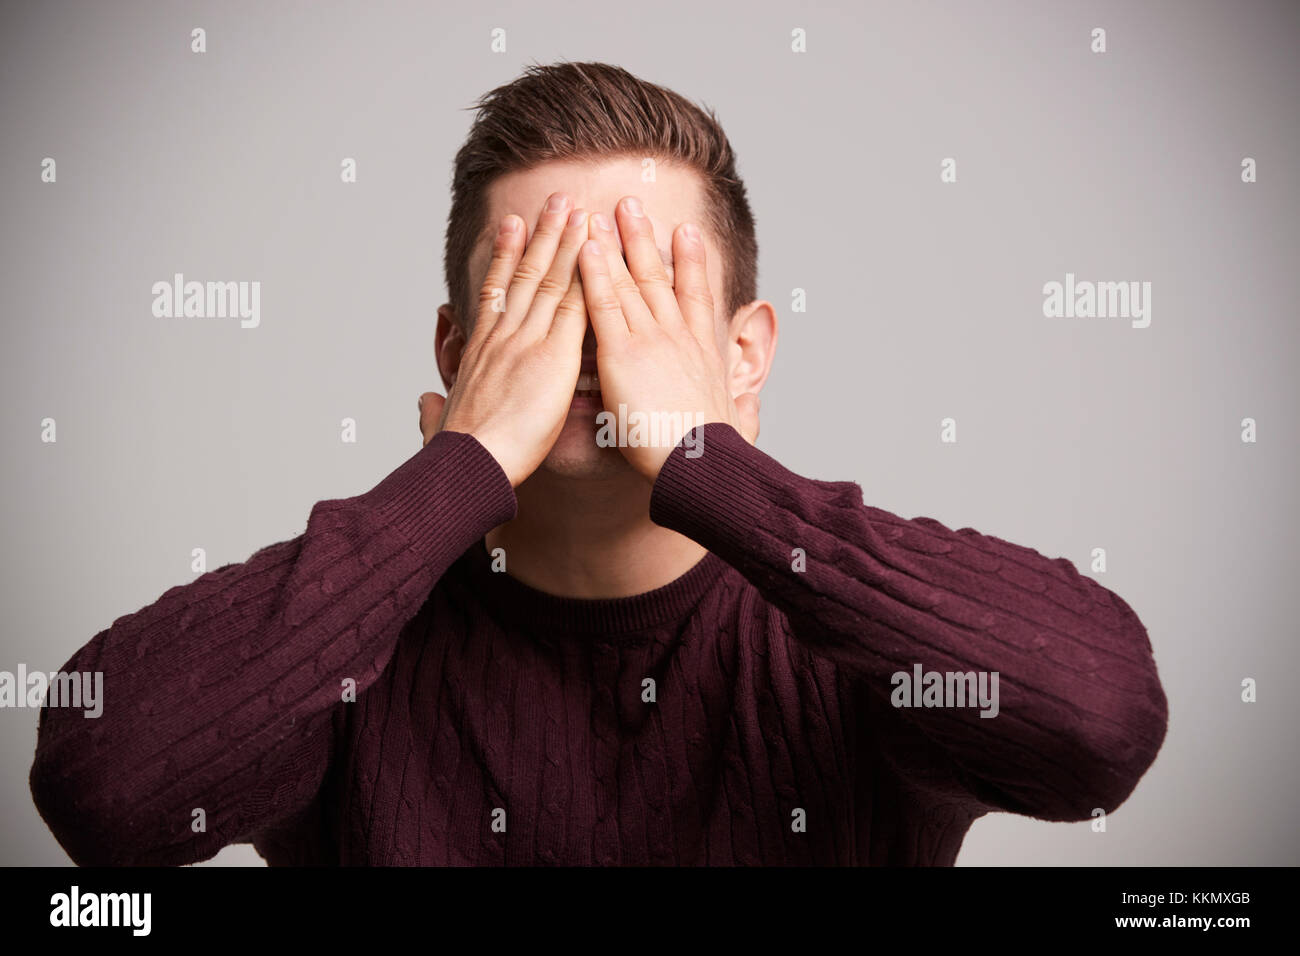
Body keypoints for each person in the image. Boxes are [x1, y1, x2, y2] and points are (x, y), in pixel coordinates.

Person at [29, 61, 1168, 866]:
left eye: (639, 295)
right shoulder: (340, 653)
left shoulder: (853, 645)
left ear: (741, 354)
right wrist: (455, 473)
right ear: (457, 346)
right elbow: (105, 788)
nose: (592, 343)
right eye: (542, 296)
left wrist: (709, 460)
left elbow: (1099, 720)